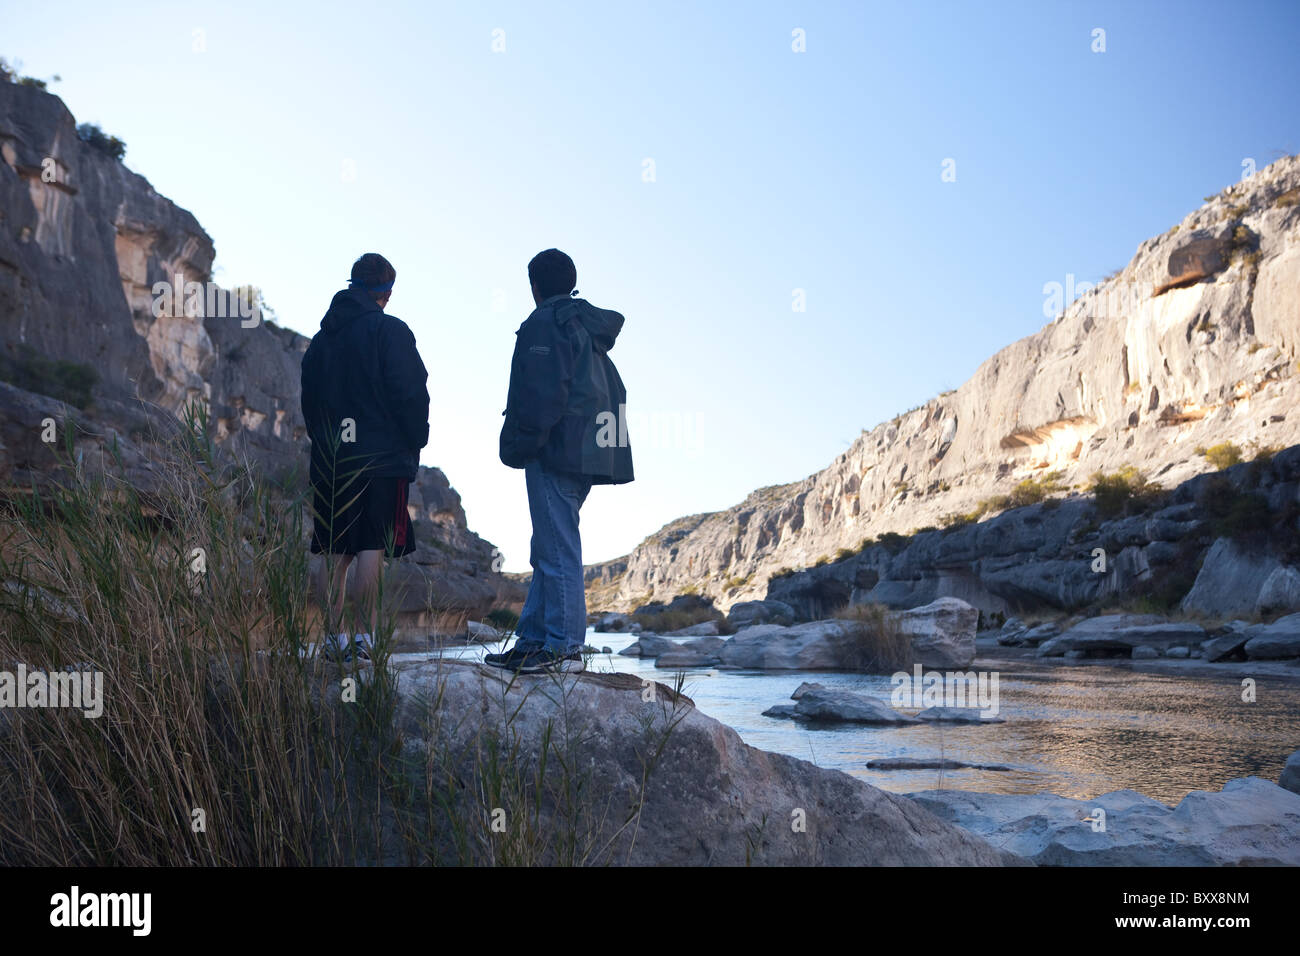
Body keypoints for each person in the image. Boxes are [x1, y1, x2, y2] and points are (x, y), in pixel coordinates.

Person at [489, 248, 634, 674]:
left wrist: (522, 445)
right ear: (570, 281)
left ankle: (565, 648)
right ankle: (533, 640)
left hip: (557, 449)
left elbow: (541, 394)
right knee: (547, 548)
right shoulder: (586, 326)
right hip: (588, 452)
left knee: (557, 550)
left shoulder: (545, 322)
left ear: (534, 286)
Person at [300, 252, 429, 663]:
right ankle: (363, 638)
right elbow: (410, 393)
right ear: (386, 292)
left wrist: (324, 445)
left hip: (332, 458)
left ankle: (332, 639)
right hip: (382, 458)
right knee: (372, 545)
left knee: (335, 549)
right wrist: (415, 441)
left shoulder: (320, 343)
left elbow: (309, 403)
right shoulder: (389, 331)